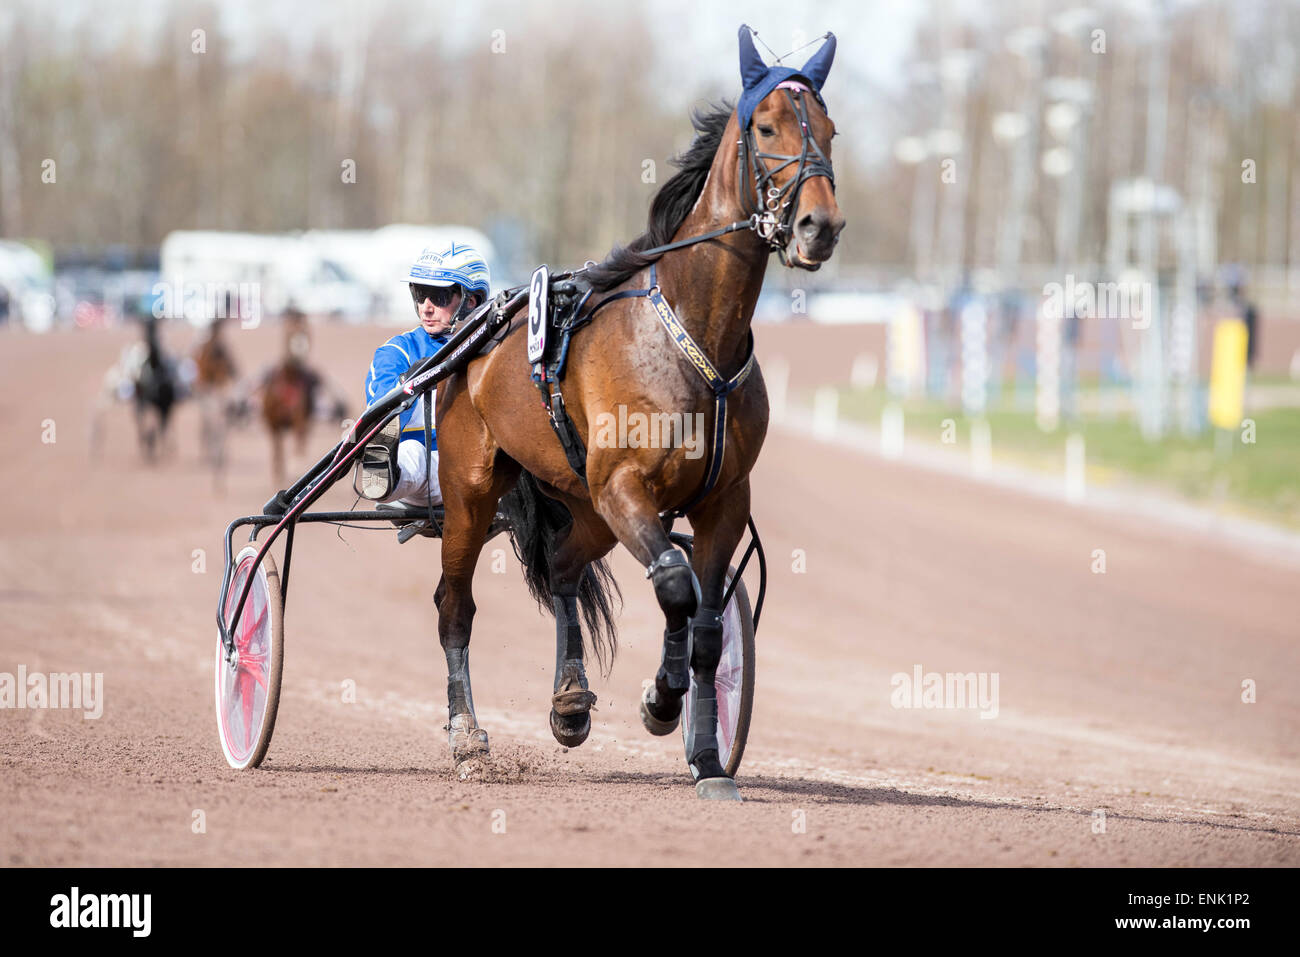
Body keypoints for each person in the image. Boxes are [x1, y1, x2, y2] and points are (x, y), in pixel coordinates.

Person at [357, 241, 490, 504]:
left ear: (470, 301)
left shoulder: (496, 351)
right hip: (428, 469)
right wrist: (413, 381)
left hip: (489, 466)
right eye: (420, 294)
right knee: (414, 453)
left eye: (438, 297)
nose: (426, 307)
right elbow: (379, 414)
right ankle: (385, 475)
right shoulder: (397, 351)